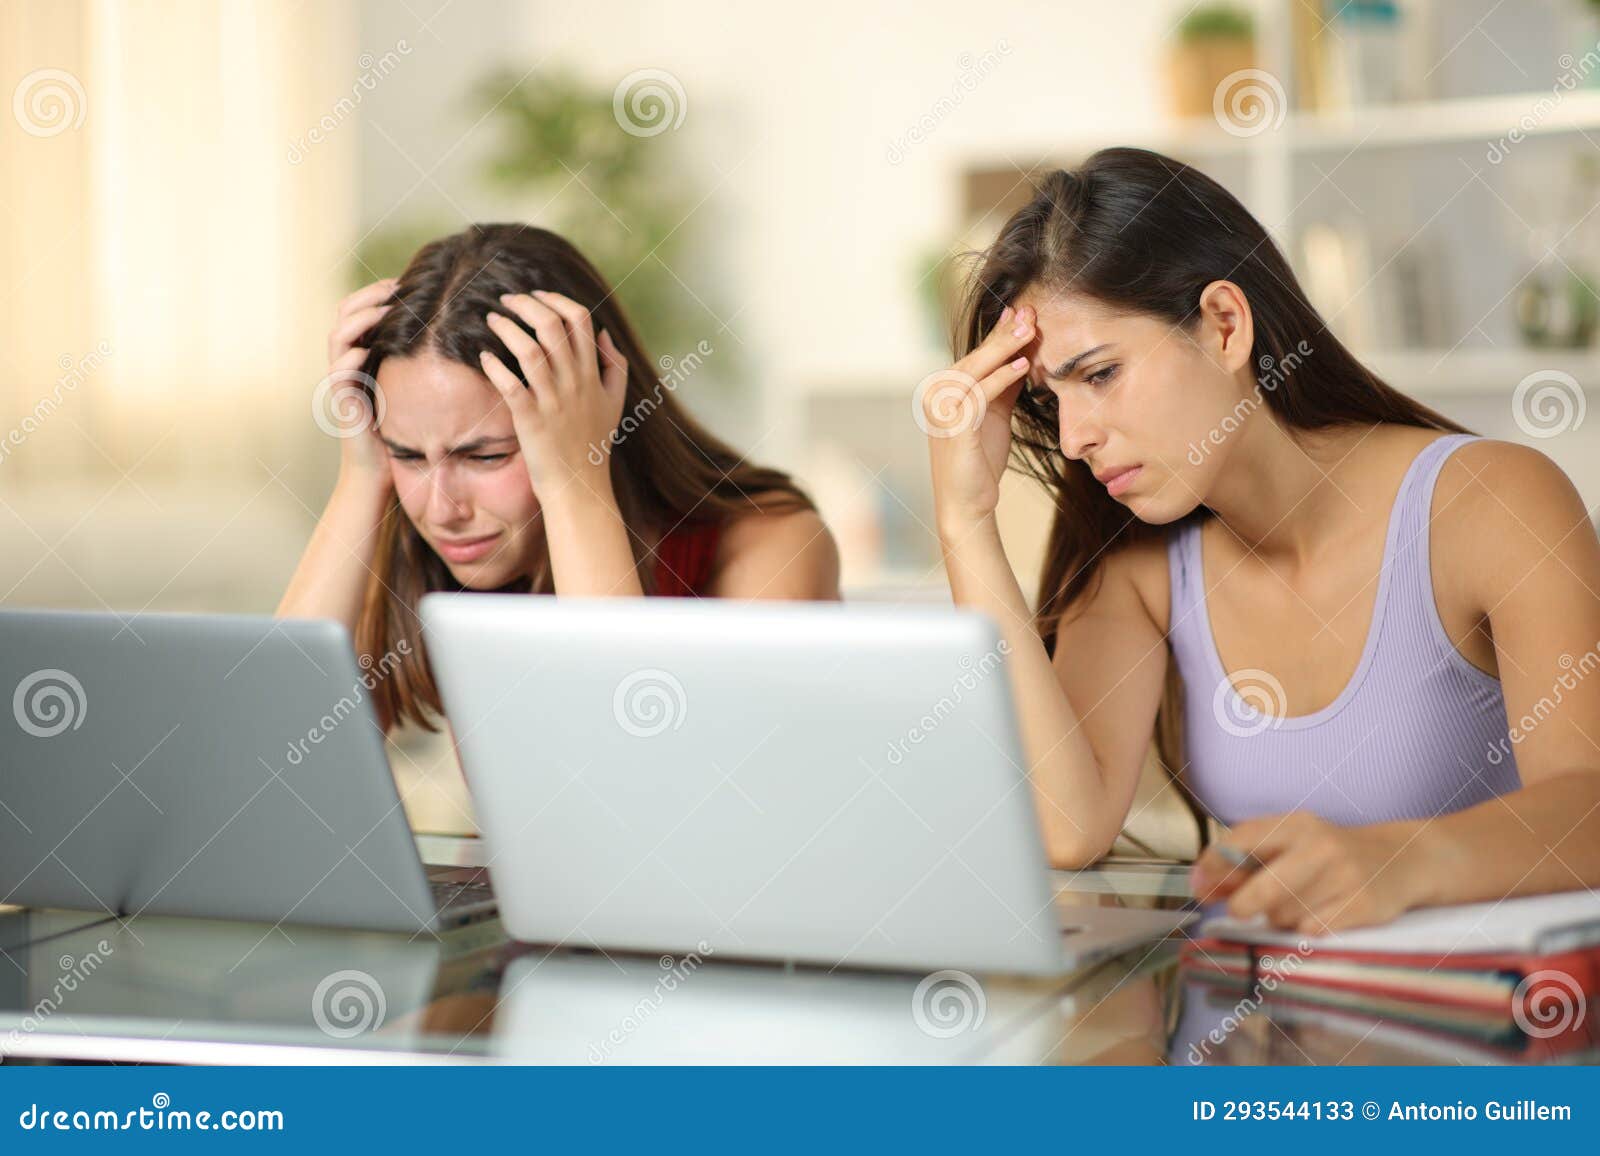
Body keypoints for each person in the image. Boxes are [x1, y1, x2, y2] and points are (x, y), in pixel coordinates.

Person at [922, 147, 1600, 934]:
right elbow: (1068, 827)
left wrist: (1402, 861)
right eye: (1050, 397)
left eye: (1100, 374)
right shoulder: (1140, 567)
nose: (1072, 439)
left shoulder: (1491, 503)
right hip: (1258, 1035)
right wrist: (964, 522)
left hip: (1493, 1034)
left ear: (1223, 324)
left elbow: (1590, 800)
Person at [279, 224, 838, 733]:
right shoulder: (414, 531)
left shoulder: (772, 544)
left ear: (595, 413)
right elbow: (278, 748)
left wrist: (575, 477)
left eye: (486, 457)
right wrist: (362, 473)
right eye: (408, 454)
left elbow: (640, 776)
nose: (442, 508)